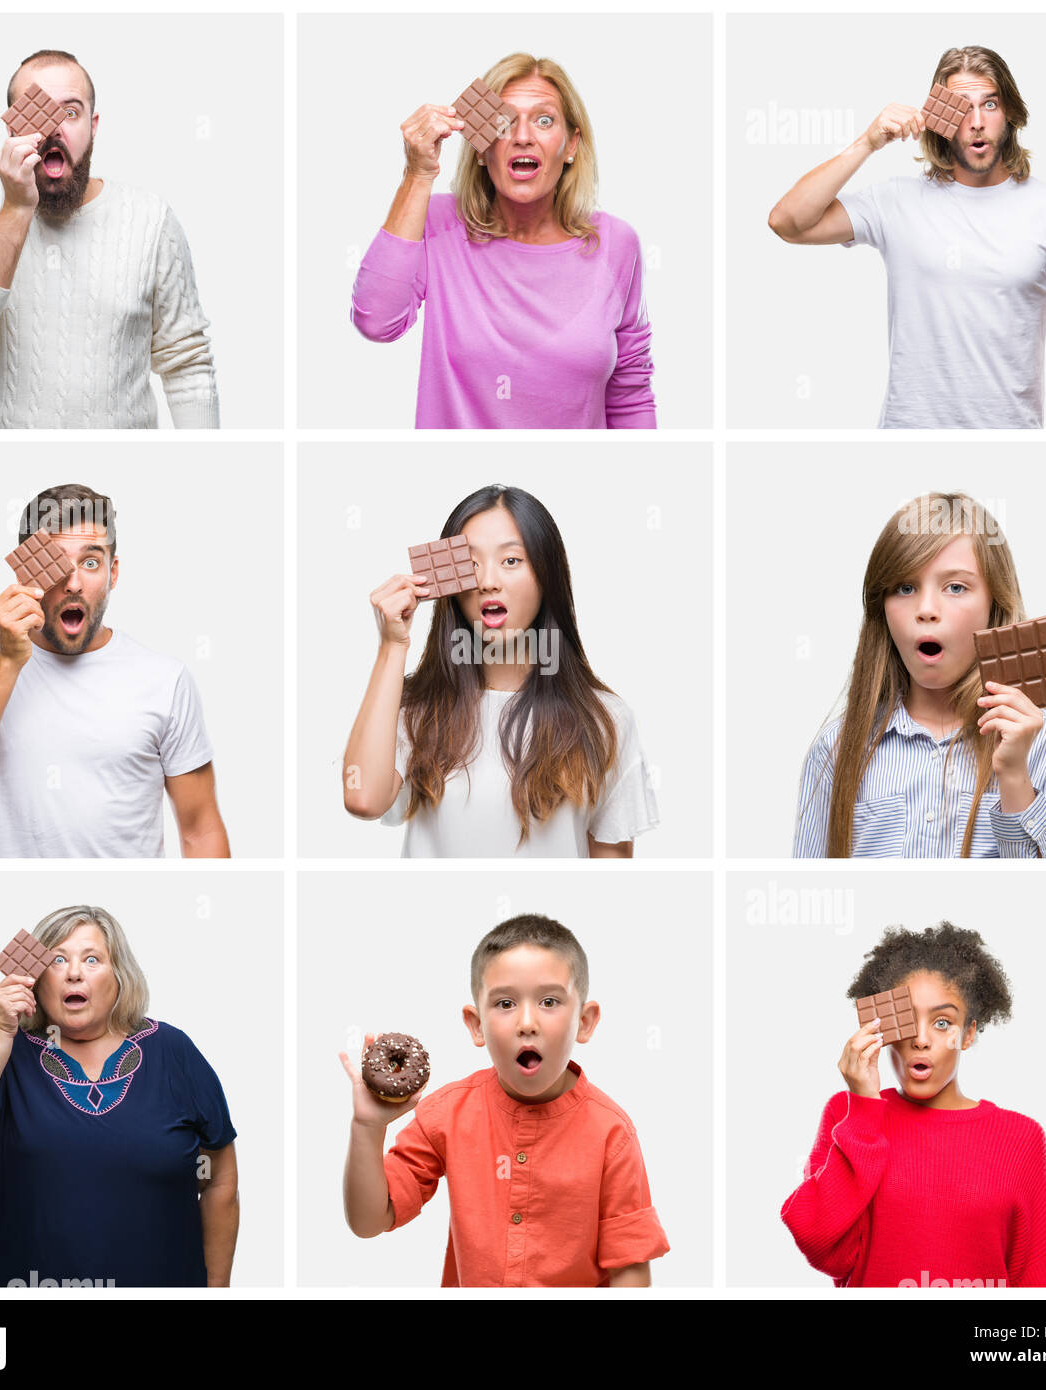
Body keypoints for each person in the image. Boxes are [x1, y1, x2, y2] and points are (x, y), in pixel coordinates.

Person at [768, 46, 1046, 429]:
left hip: (1012, 443)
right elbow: (787, 222)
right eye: (961, 107)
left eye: (989, 105)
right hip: (908, 440)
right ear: (941, 119)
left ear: (1008, 113)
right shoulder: (895, 201)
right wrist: (868, 142)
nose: (976, 122)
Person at [0, 906, 239, 1287]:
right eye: (56, 959)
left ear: (119, 976)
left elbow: (219, 1183)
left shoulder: (173, 1050)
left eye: (92, 959)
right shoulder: (7, 1055)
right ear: (34, 978)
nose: (73, 972)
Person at [339, 914, 669, 1287]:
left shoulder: (613, 1132)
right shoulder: (448, 1113)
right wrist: (367, 1127)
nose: (526, 1022)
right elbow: (369, 1220)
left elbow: (630, 1266)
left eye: (549, 1001)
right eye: (505, 1003)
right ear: (476, 1025)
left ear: (585, 1021)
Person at [0, 482, 231, 858]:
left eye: (91, 562)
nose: (74, 583)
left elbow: (201, 832)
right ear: (26, 572)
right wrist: (7, 661)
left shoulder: (165, 680)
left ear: (113, 574)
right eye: (56, 563)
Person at [341, 484, 658, 857]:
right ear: (452, 583)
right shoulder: (413, 708)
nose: (489, 581)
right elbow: (363, 798)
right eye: (472, 564)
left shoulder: (605, 718)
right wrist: (392, 646)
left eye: (511, 561)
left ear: (546, 577)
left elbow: (611, 866)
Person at [350, 53, 655, 428]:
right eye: (504, 122)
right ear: (481, 147)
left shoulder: (617, 243)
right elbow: (376, 322)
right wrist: (417, 174)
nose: (523, 137)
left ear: (571, 145)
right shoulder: (437, 223)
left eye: (544, 120)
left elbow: (630, 389)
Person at [0, 48, 219, 429]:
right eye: (37, 111)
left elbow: (188, 363)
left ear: (94, 126)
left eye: (71, 112)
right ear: (13, 129)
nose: (54, 128)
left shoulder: (150, 219)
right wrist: (15, 207)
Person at [793, 493, 1046, 858]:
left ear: (994, 603)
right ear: (881, 608)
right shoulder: (836, 748)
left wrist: (1014, 777)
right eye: (905, 587)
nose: (927, 610)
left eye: (955, 587)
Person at [781, 922, 1046, 1288]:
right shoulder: (848, 1114)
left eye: (943, 1022)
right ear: (883, 1028)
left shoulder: (1021, 1137)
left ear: (967, 1034)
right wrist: (864, 1108)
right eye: (908, 1021)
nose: (920, 1039)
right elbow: (822, 1248)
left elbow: (1042, 1278)